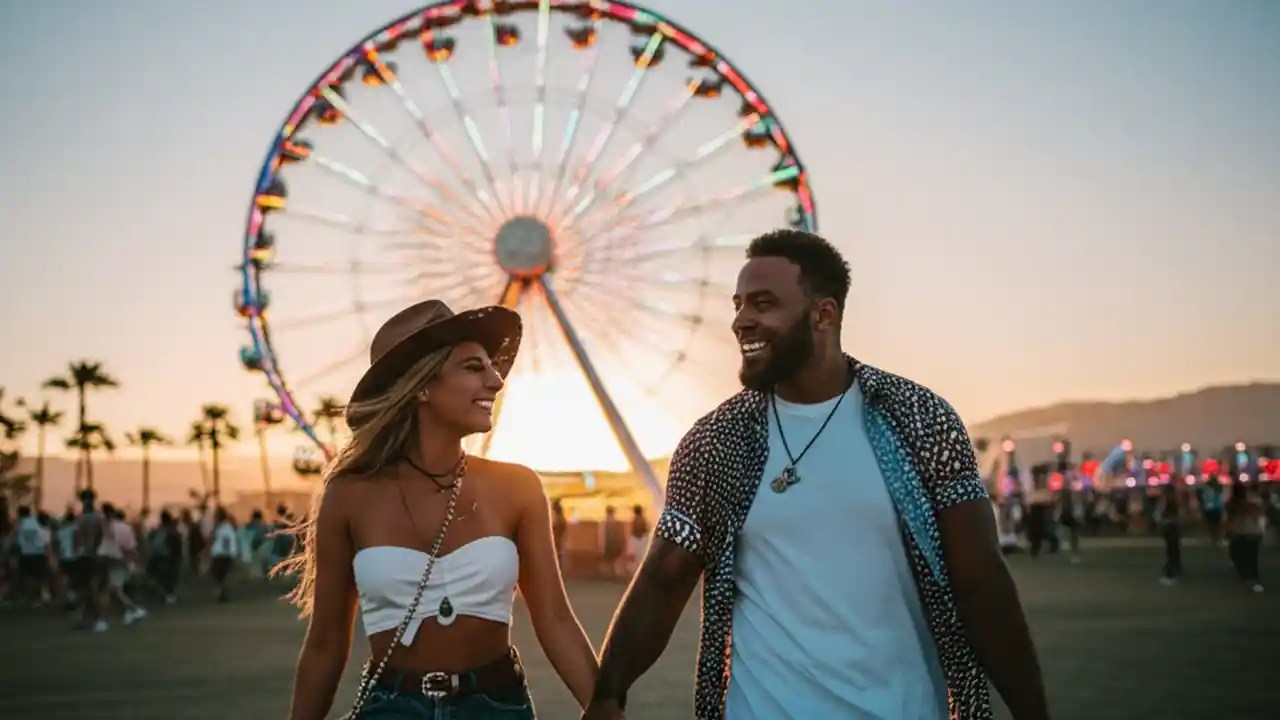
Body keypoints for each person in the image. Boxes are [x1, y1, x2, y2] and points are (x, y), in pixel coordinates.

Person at [583, 230, 1049, 720]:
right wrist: (608, 693)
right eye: (738, 304)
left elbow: (980, 578)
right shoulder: (716, 441)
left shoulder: (918, 419)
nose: (742, 321)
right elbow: (663, 579)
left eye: (764, 304)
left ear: (823, 315)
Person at [280, 300, 597, 720]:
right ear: (421, 387)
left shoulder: (517, 488)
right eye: (473, 367)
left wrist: (605, 706)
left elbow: (555, 617)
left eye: (492, 367)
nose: (497, 381)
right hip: (391, 708)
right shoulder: (349, 496)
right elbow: (325, 641)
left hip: (496, 705)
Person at [97, 503, 146, 628]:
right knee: (112, 589)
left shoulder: (102, 524)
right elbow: (130, 548)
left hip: (105, 559)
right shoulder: (123, 528)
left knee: (107, 590)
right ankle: (132, 610)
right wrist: (137, 562)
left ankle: (105, 620)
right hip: (117, 560)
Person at [1225, 486, 1266, 593]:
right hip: (1252, 532)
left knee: (1241, 555)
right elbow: (1258, 517)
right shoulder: (1251, 504)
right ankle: (1252, 578)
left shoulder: (1233, 504)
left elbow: (1230, 519)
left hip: (1241, 533)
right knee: (1251, 557)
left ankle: (1248, 577)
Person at [1155, 484, 1182, 586]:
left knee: (1171, 550)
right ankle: (1175, 569)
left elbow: (1160, 513)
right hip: (1174, 525)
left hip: (1169, 525)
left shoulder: (1167, 501)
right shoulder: (1175, 500)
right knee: (1174, 549)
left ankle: (1171, 574)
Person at [209, 507, 239, 602]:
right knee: (220, 576)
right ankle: (223, 594)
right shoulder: (221, 527)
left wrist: (228, 553)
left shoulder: (225, 528)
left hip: (223, 556)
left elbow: (226, 541)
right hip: (220, 555)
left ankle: (224, 594)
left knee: (223, 576)